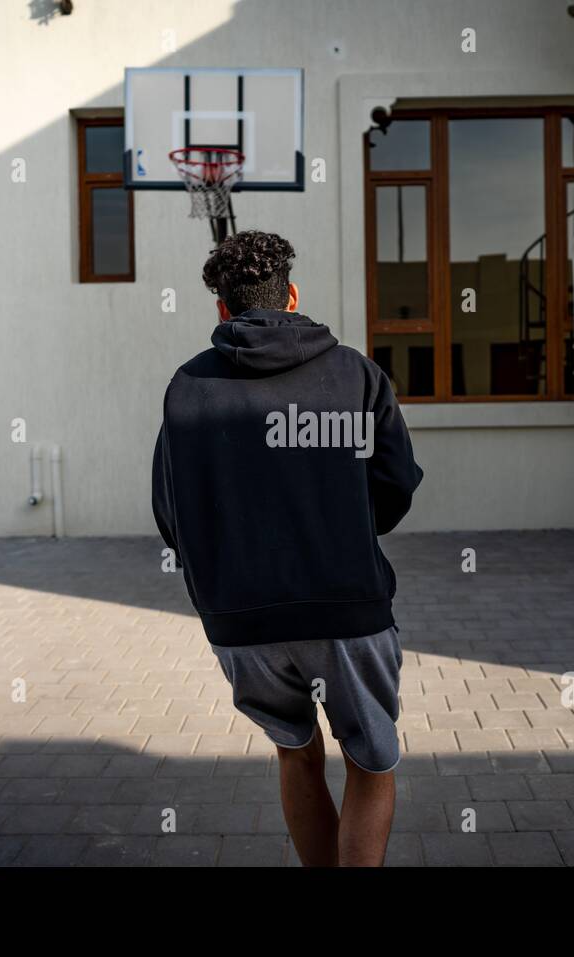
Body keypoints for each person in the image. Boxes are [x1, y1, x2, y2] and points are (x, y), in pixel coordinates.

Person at [152, 230, 423, 866]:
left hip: (241, 619)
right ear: (292, 294)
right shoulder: (356, 373)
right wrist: (342, 530)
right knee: (372, 761)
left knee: (295, 755)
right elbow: (396, 485)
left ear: (222, 309)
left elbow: (172, 512)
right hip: (346, 605)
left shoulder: (187, 386)